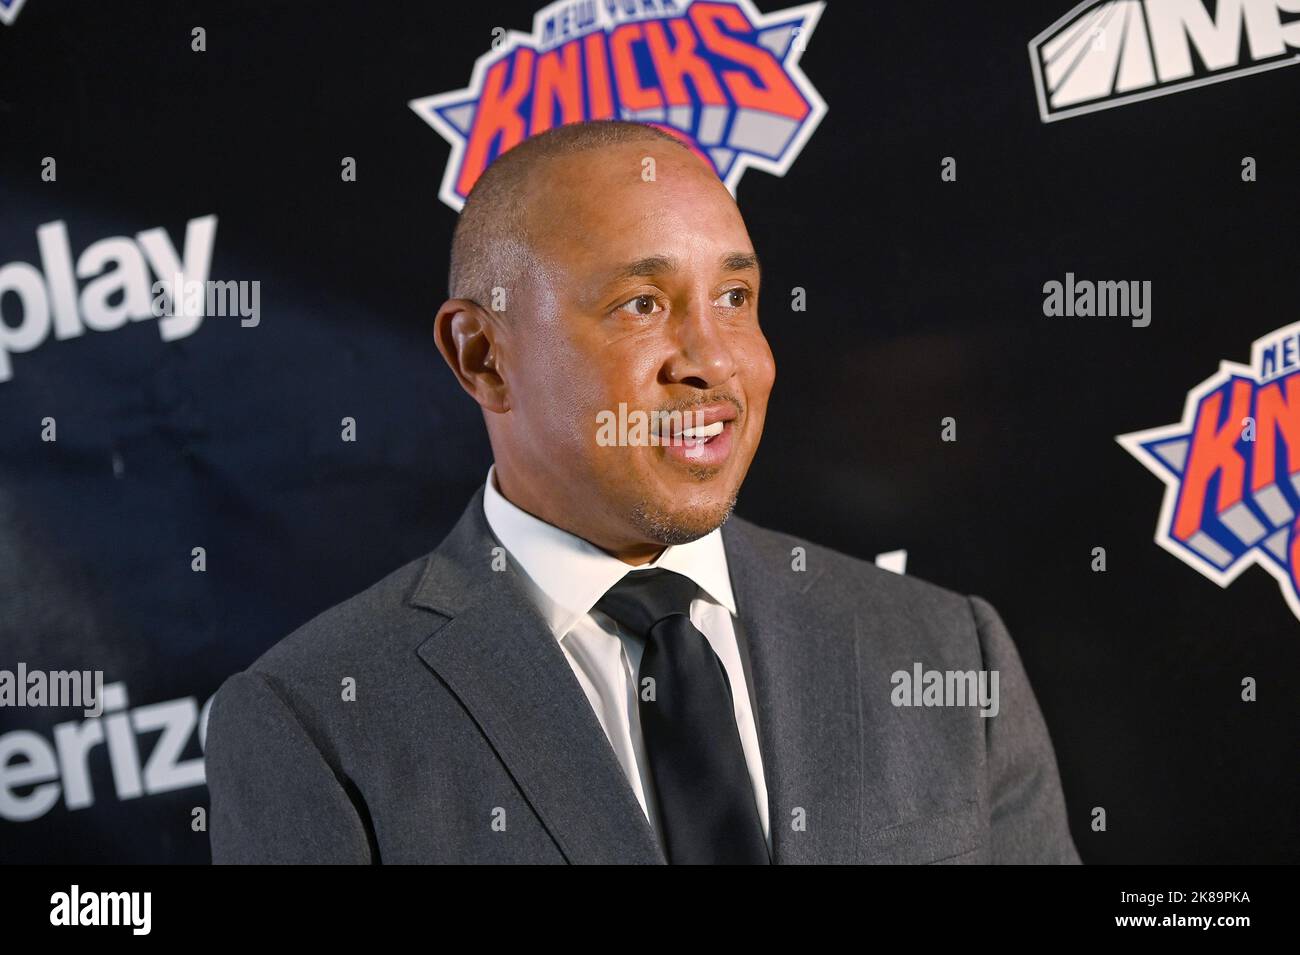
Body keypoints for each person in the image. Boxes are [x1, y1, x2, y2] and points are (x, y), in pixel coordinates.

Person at [205, 120, 1081, 864]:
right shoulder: (313, 719)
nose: (714, 360)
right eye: (641, 304)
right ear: (483, 355)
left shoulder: (950, 650)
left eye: (736, 297)